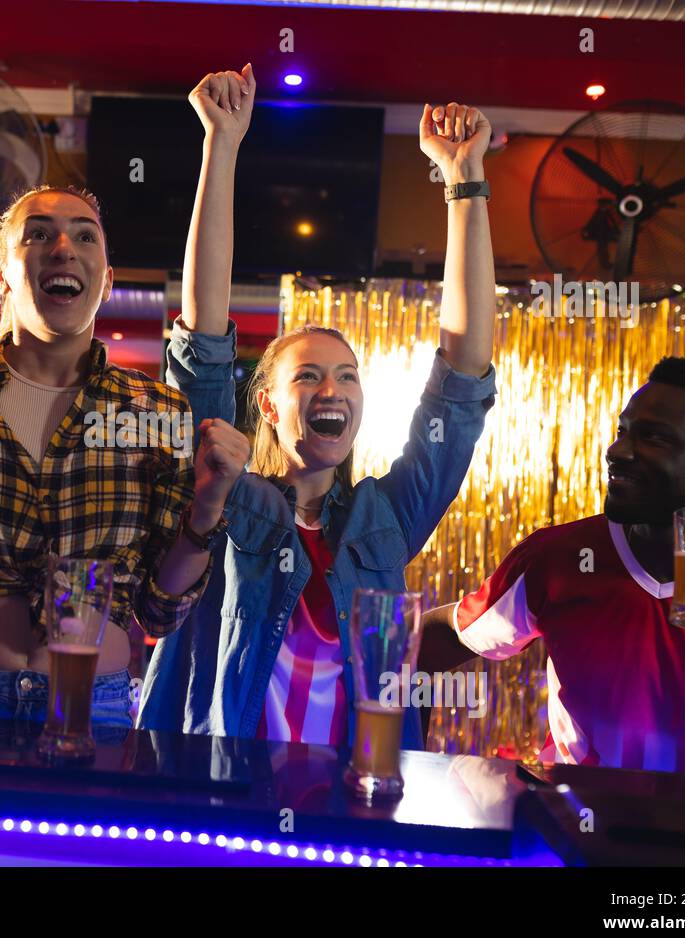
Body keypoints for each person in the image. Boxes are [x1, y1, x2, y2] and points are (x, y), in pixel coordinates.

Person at [138, 65, 498, 748]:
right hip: (225, 803)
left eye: (348, 376)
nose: (333, 390)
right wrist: (221, 144)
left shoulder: (384, 517)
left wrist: (464, 181)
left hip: (354, 806)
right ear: (269, 404)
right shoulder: (224, 493)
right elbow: (204, 336)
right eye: (309, 376)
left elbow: (463, 374)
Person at [0, 186, 238, 727]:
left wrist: (206, 510)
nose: (63, 247)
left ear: (105, 281)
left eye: (86, 235)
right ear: (0, 275)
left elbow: (160, 609)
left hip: (91, 708)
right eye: (37, 234)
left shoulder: (156, 408)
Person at [418, 357, 685, 774]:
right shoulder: (560, 557)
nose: (617, 451)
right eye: (623, 431)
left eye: (654, 438)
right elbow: (431, 642)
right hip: (583, 826)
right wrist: (409, 761)